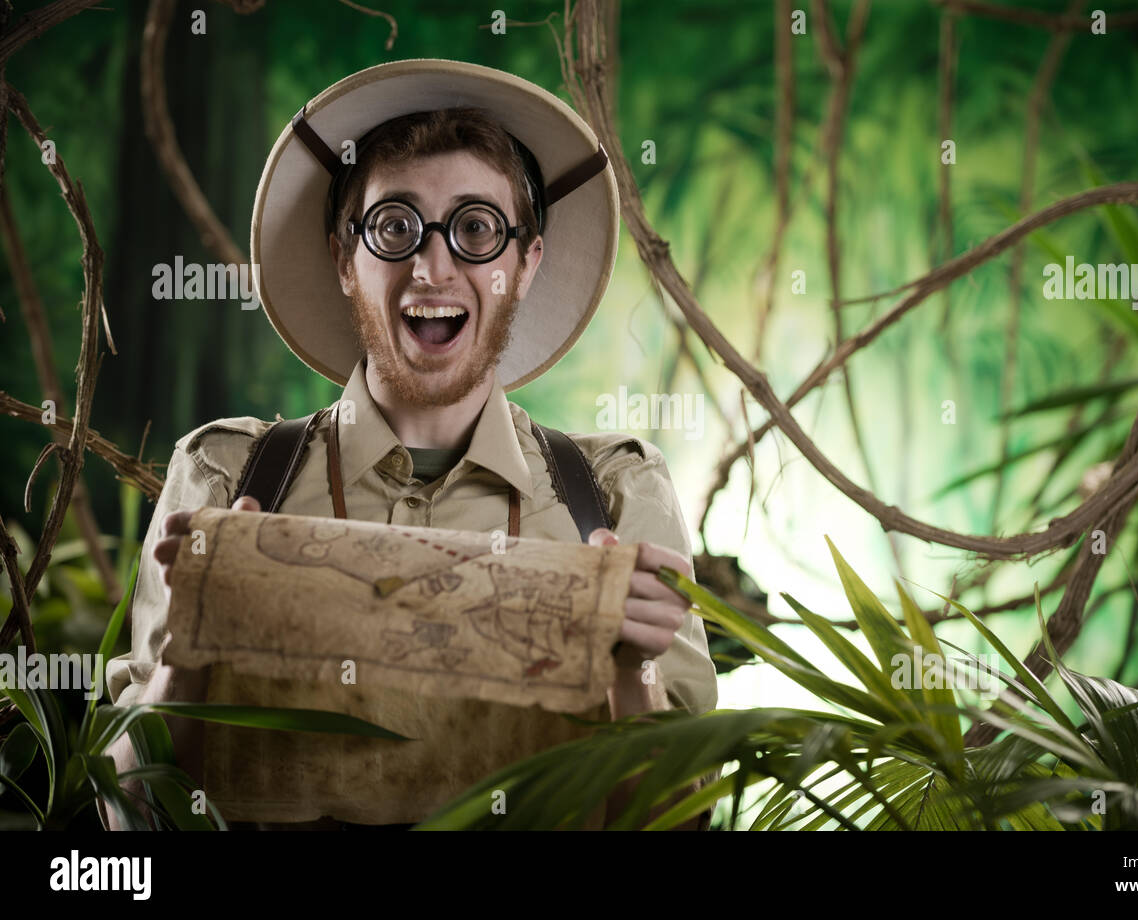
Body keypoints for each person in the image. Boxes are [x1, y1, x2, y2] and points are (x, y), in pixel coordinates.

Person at [103, 58, 718, 830]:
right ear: (343, 258)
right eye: (394, 228)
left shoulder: (617, 492)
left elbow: (681, 822)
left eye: (476, 229)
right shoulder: (223, 476)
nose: (433, 266)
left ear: (525, 265)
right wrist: (186, 659)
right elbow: (127, 819)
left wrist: (635, 677)